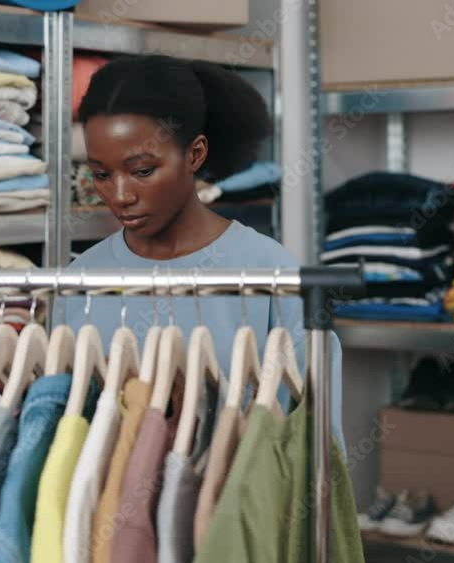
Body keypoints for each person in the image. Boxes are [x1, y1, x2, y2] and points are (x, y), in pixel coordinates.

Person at [65, 55, 345, 447]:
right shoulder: (80, 279)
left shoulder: (272, 275)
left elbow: (324, 453)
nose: (121, 195)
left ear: (194, 154)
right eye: (101, 174)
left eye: (142, 171)